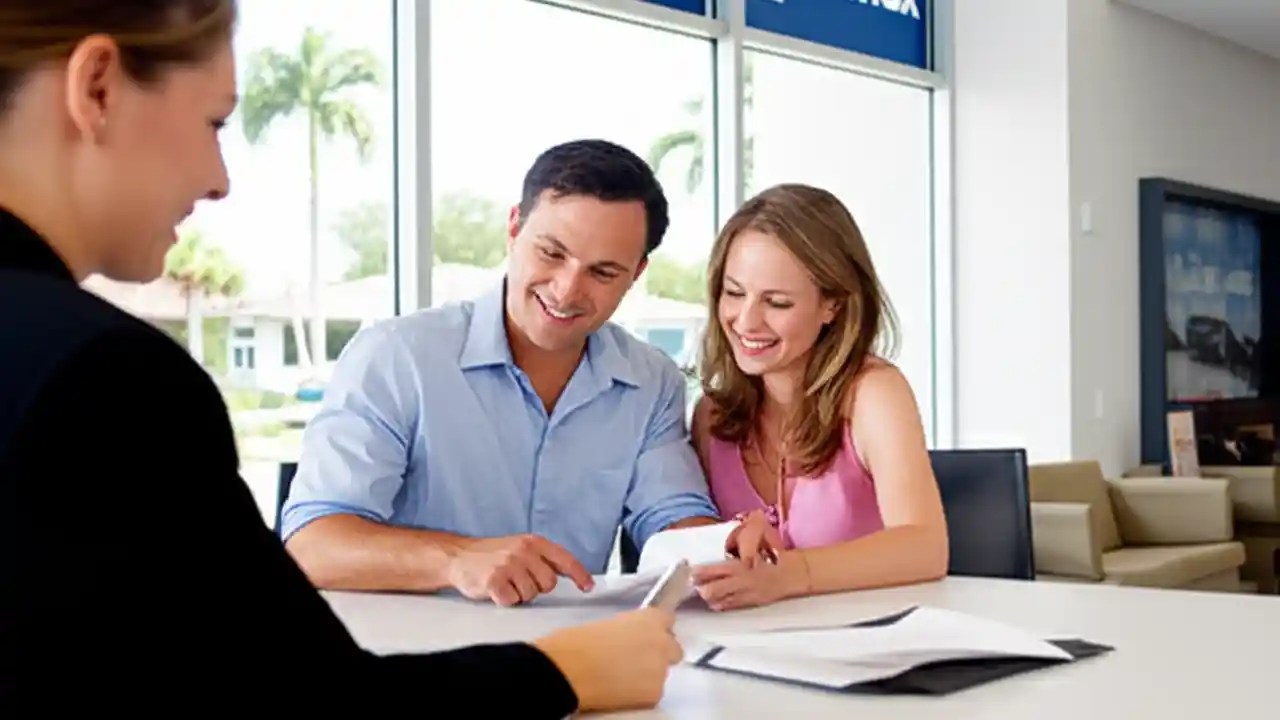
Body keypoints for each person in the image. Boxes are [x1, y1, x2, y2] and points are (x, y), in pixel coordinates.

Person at [0, 2, 682, 713]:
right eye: (215, 123)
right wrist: (564, 672)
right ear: (98, 87)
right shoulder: (102, 376)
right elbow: (310, 698)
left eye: (604, 270)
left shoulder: (651, 380)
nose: (219, 179)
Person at [280, 139, 721, 606]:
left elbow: (673, 517)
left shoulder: (652, 382)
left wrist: (721, 548)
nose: (568, 289)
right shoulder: (396, 357)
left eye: (604, 272)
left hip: (571, 657)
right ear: (514, 228)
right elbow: (312, 545)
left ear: (636, 274)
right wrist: (456, 559)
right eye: (551, 253)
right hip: (409, 660)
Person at [689, 183, 950, 612]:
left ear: (832, 305)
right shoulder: (711, 415)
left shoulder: (874, 394)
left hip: (869, 644)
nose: (746, 320)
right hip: (749, 649)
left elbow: (926, 546)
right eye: (734, 293)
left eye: (777, 302)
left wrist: (792, 574)